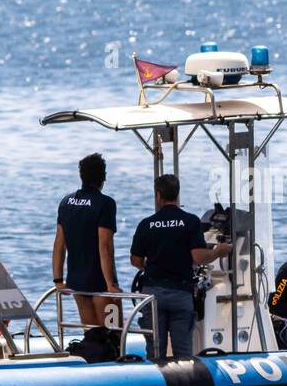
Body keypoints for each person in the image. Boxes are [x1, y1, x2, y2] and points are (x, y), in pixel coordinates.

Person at [130, 174, 230, 359]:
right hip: (180, 293)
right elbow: (199, 257)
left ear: (158, 195)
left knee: (155, 352)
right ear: (177, 195)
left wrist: (152, 265)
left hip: (153, 294)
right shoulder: (190, 222)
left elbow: (135, 261)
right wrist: (218, 251)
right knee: (183, 354)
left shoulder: (146, 224)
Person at [52, 153, 121, 330]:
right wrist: (111, 285)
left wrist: (58, 280)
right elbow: (105, 246)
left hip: (77, 282)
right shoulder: (105, 203)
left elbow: (59, 244)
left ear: (81, 176)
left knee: (92, 335)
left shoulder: (66, 202)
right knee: (113, 334)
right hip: (100, 283)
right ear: (103, 177)